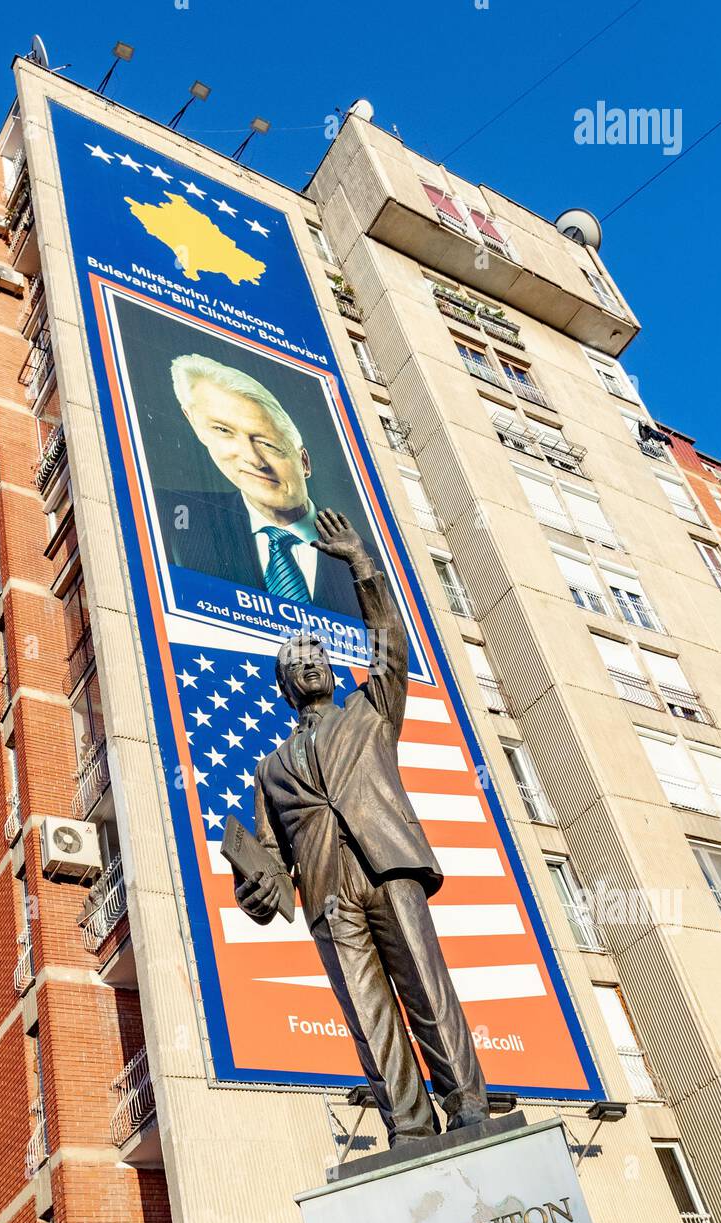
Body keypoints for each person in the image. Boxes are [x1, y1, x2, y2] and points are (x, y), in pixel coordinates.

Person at [234, 509, 488, 1148]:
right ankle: (407, 1126)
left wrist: (362, 567)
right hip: (327, 894)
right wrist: (257, 891)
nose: (312, 663)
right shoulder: (270, 769)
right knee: (370, 1016)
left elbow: (390, 647)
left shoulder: (372, 711)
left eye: (318, 654)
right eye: (298, 659)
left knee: (427, 991)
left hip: (387, 868)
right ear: (286, 683)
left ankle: (469, 1110)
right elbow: (265, 856)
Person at [156, 353, 373, 618]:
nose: (253, 459)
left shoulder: (367, 558)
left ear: (304, 462)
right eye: (223, 430)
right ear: (195, 424)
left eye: (269, 444)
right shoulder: (169, 516)